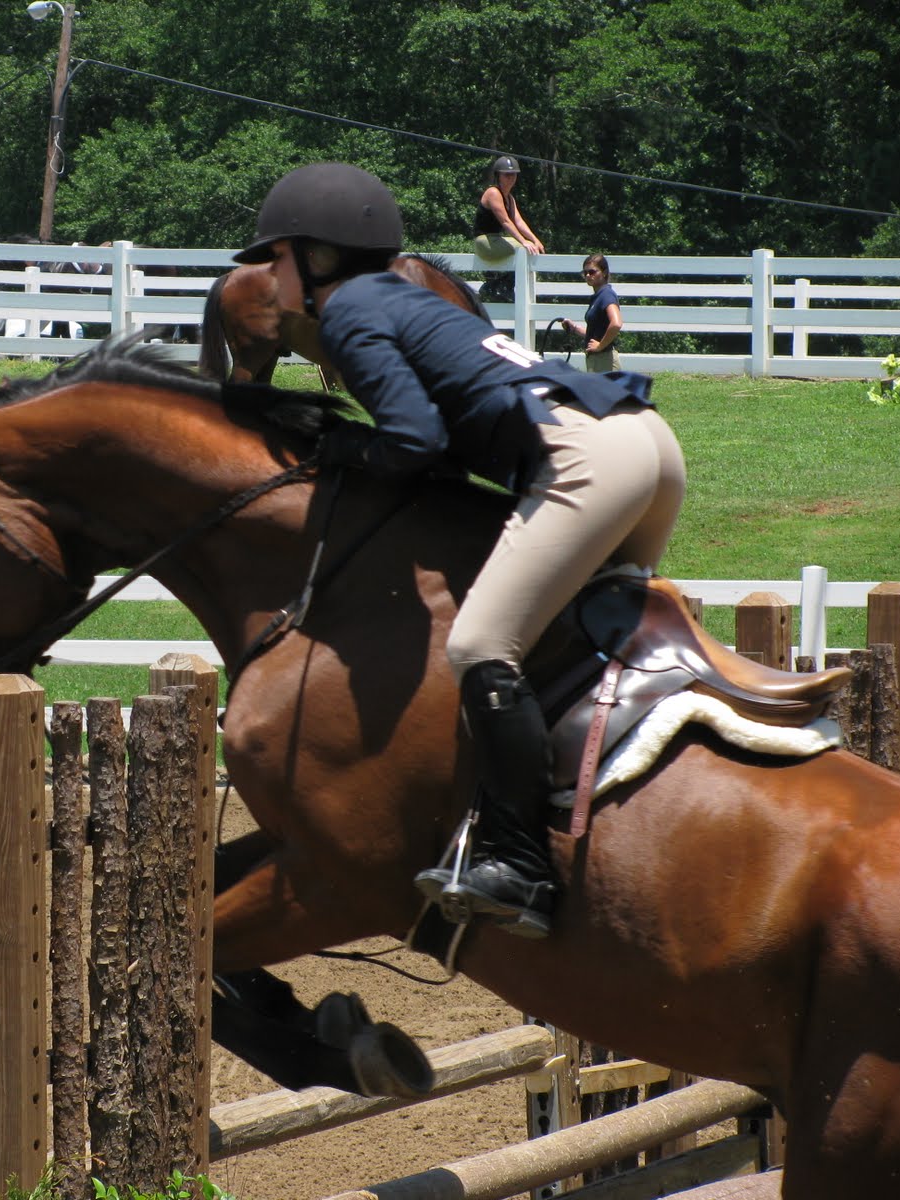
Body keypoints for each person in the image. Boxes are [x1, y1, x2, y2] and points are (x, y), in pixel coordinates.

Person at [235, 162, 686, 938]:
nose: (264, 275)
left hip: (582, 455)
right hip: (644, 441)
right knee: (583, 647)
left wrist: (347, 451)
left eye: (275, 257)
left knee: (481, 644)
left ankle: (518, 864)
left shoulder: (348, 314)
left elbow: (416, 441)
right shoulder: (405, 298)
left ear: (320, 260)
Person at [472, 156, 543, 304]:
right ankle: (498, 287)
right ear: (498, 175)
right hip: (484, 241)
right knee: (523, 249)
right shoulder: (493, 193)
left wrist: (535, 240)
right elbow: (506, 222)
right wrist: (524, 242)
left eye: (514, 174)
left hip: (496, 240)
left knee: (529, 247)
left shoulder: (509, 198)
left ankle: (495, 286)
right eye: (507, 174)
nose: (511, 178)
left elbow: (518, 221)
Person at [562, 254, 622, 373]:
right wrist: (574, 328)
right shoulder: (598, 297)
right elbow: (594, 334)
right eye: (585, 273)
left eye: (592, 272)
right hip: (596, 360)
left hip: (605, 361)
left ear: (604, 272)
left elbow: (616, 324)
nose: (588, 275)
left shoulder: (606, 295)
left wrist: (600, 346)